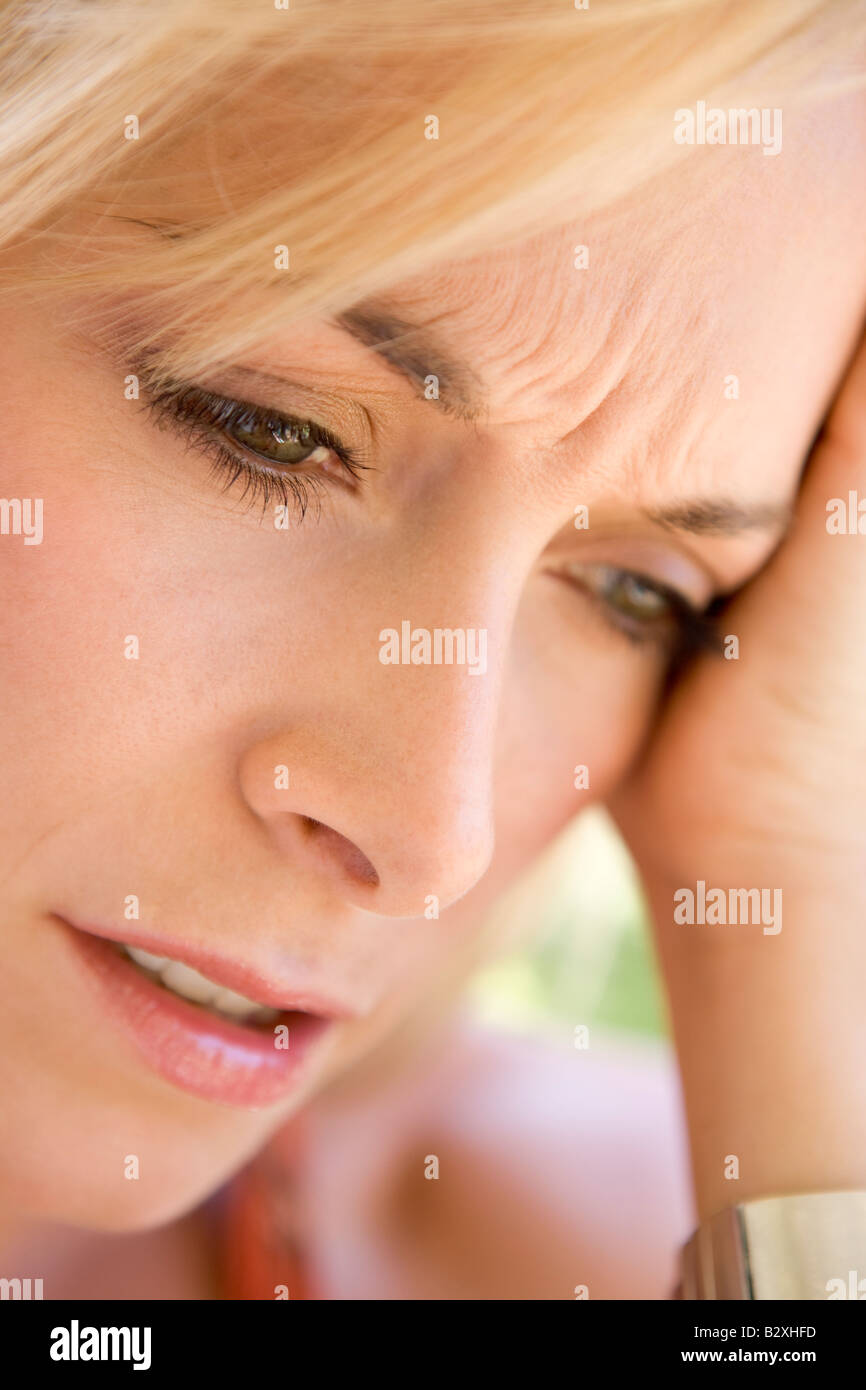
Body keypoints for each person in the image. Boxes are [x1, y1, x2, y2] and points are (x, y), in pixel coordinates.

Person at [1, 0, 864, 1299]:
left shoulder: (587, 1247)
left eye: (633, 593)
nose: (427, 837)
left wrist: (784, 885)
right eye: (268, 428)